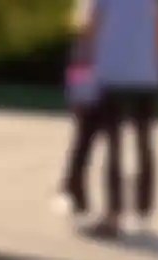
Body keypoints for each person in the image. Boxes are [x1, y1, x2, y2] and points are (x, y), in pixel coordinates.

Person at [84, 0, 158, 238]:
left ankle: (113, 214)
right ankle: (143, 211)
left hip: (112, 76)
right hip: (147, 79)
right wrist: (155, 66)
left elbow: (90, 29)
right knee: (144, 143)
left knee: (114, 145)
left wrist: (87, 71)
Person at [56, 0, 101, 219]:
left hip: (95, 69)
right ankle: (72, 188)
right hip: (87, 68)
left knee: (87, 134)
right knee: (85, 132)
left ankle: (71, 186)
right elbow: (84, 25)